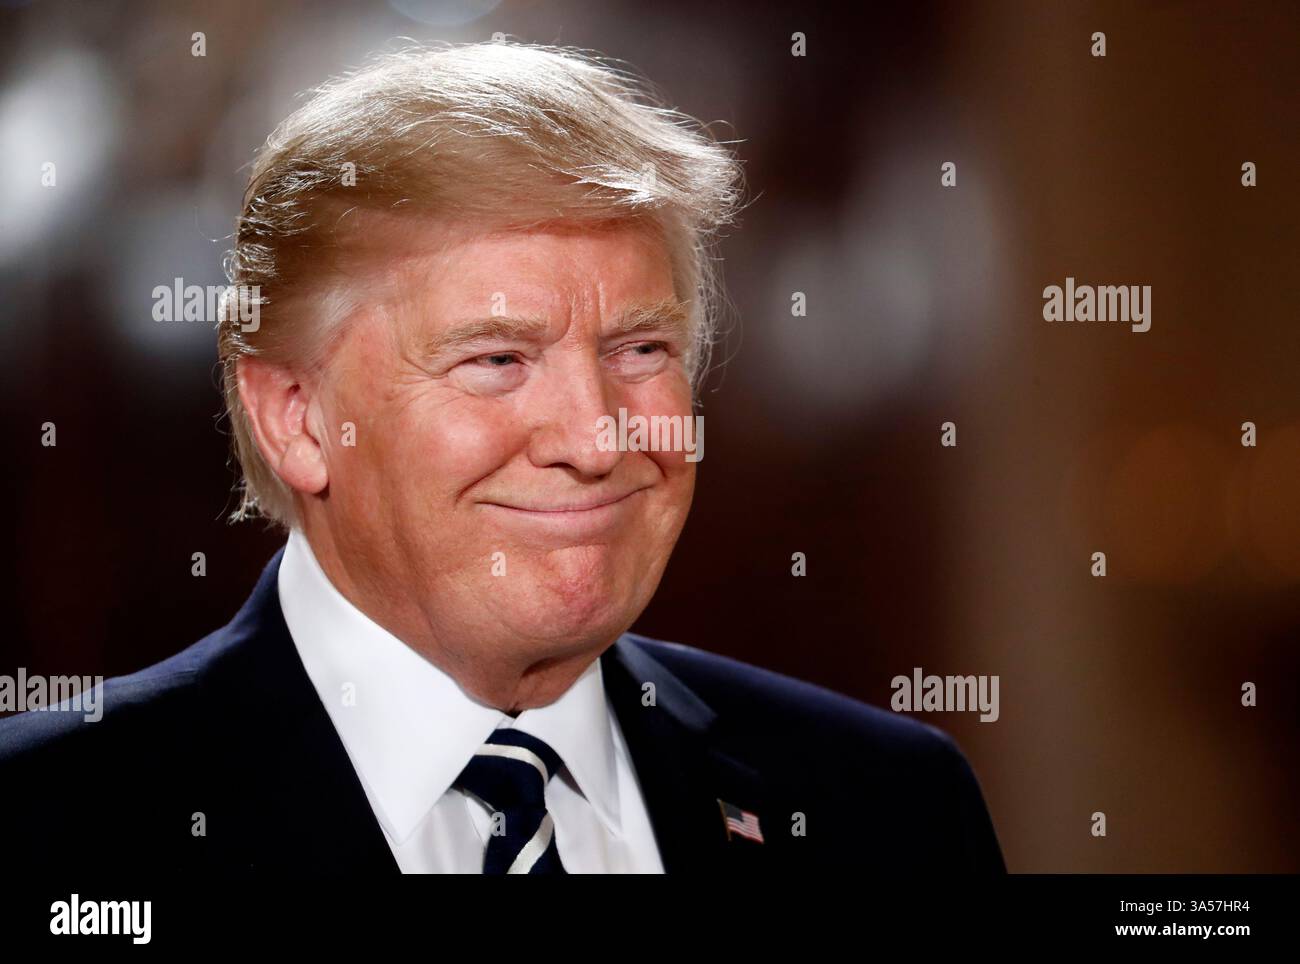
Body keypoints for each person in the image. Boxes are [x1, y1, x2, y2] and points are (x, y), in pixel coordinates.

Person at [0, 41, 1005, 874]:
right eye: (495, 359)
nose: (595, 435)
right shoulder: (52, 824)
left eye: (640, 350)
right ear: (296, 416)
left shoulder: (887, 808)